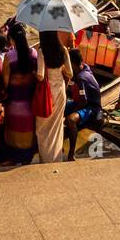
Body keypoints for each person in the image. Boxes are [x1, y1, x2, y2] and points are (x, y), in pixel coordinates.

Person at [0, 21, 38, 165]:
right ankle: (26, 158)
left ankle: (13, 158)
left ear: (11, 39)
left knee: (13, 130)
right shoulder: (33, 53)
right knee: (27, 130)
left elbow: (5, 80)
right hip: (29, 101)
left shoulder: (9, 56)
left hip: (14, 101)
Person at [34, 29, 73, 163]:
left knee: (43, 128)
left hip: (47, 93)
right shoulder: (63, 50)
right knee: (56, 127)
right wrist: (60, 69)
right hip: (60, 91)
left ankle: (45, 159)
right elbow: (70, 73)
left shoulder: (42, 51)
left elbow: (40, 75)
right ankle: (56, 158)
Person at [65, 49, 103, 160]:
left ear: (72, 64)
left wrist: (71, 113)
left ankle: (71, 153)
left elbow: (83, 102)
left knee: (70, 120)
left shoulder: (81, 78)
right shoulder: (85, 67)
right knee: (62, 105)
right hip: (81, 101)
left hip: (92, 107)